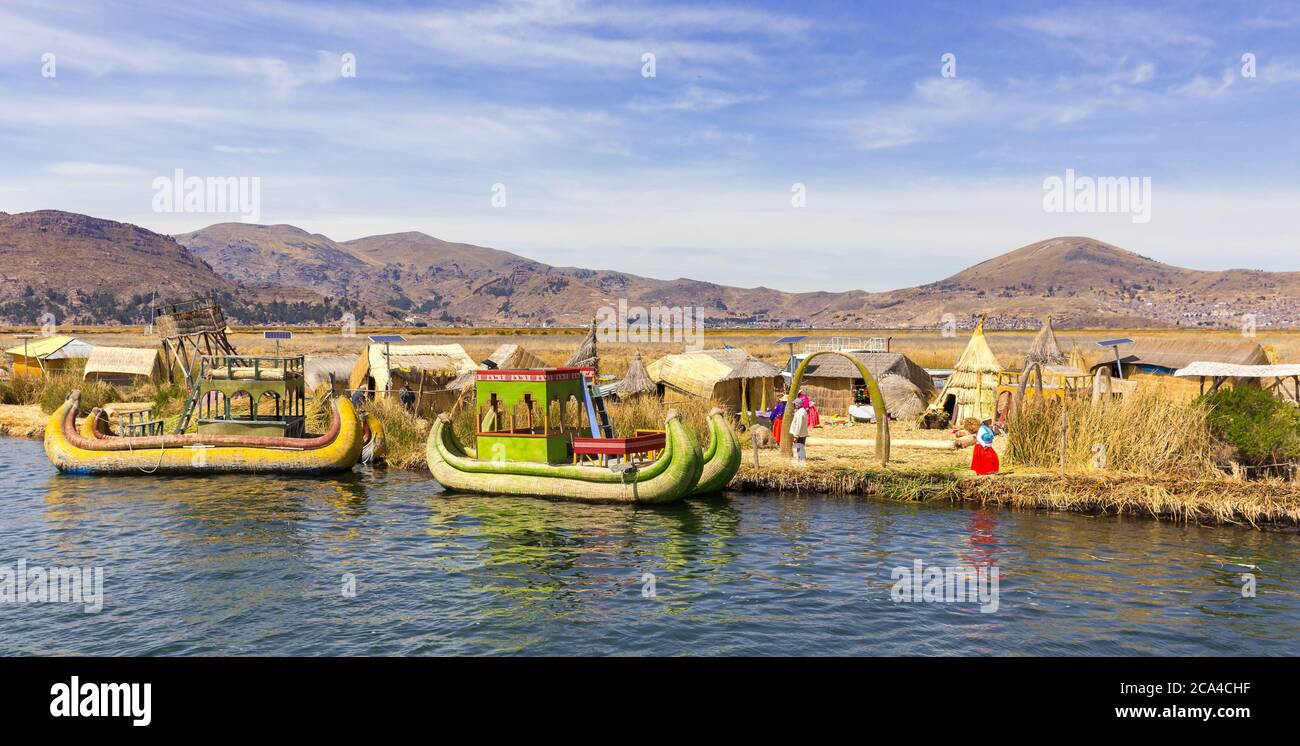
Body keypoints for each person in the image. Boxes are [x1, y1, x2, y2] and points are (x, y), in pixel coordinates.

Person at [790, 397, 810, 465]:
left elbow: (799, 424)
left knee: (800, 447)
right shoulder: (802, 411)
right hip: (802, 433)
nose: (794, 405)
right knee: (800, 447)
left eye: (794, 404)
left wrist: (796, 435)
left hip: (800, 433)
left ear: (797, 405)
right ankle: (801, 460)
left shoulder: (800, 413)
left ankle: (802, 462)